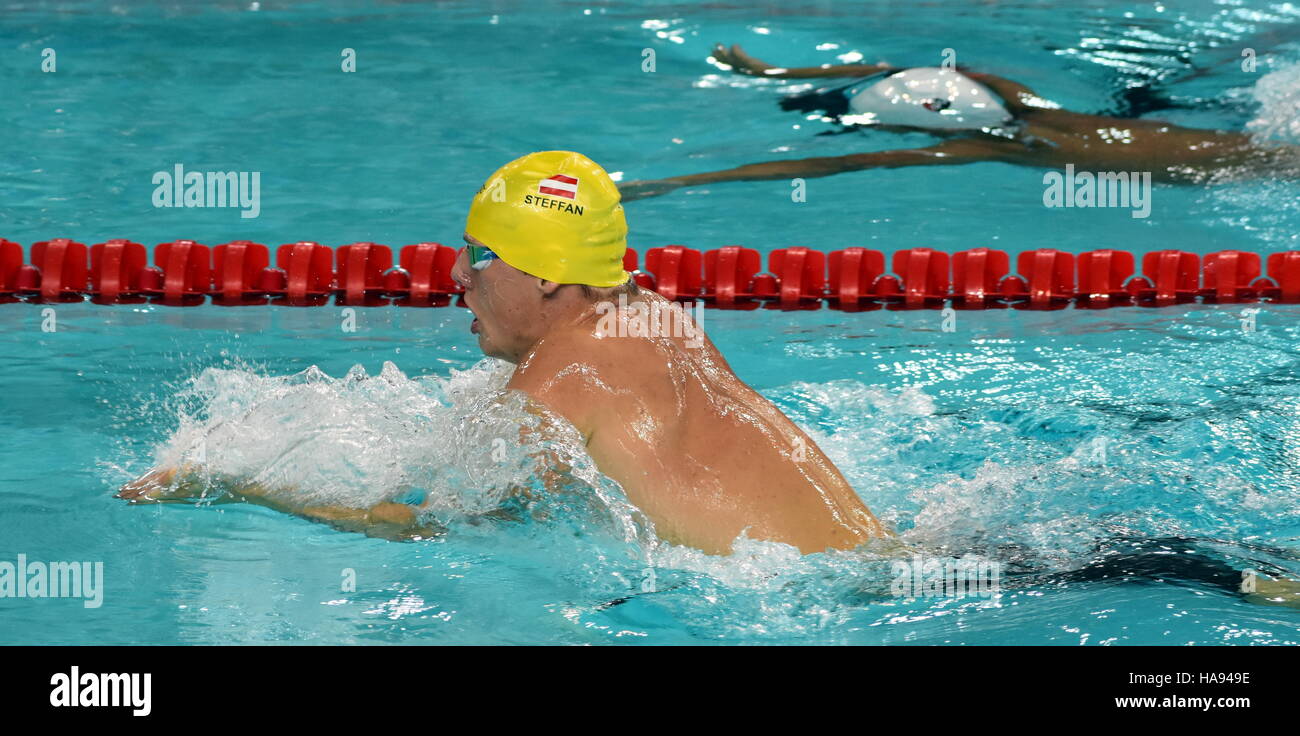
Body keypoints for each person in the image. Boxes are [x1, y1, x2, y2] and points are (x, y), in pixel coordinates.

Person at [119, 151, 890, 556]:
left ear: (551, 272)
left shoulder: (557, 381)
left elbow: (429, 526)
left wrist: (233, 486)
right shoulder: (652, 313)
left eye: (482, 253)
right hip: (876, 554)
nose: (455, 272)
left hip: (815, 602)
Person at [617, 44, 1298, 201]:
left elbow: (830, 164)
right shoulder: (1017, 100)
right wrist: (773, 77)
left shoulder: (996, 146)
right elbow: (908, 65)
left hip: (1235, 166)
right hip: (1233, 147)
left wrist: (679, 182)